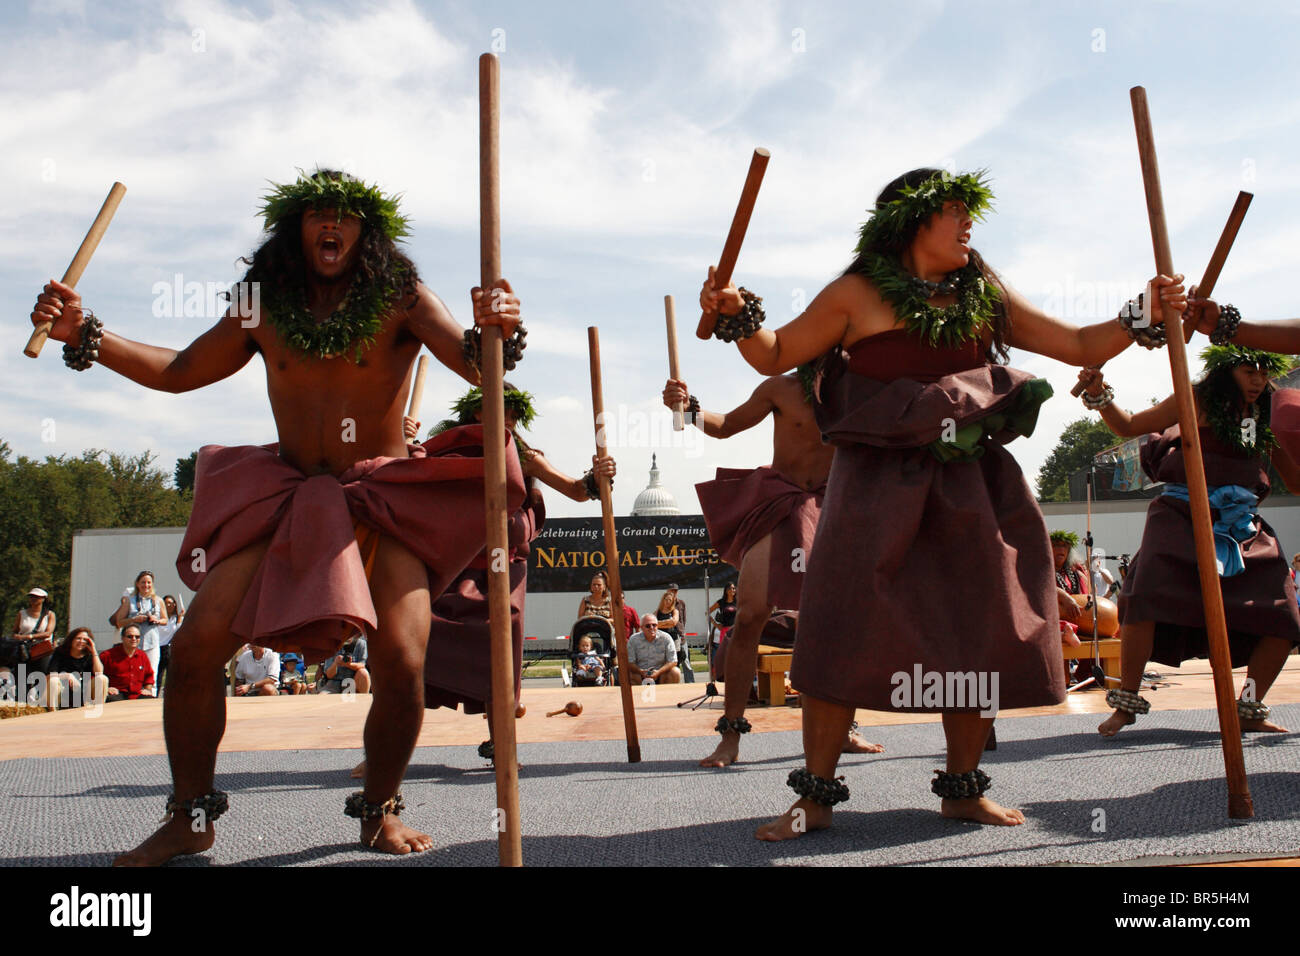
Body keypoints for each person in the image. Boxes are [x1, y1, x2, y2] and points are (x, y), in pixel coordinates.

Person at [31, 168, 526, 863]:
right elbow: (178, 370)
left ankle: (379, 810)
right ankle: (189, 815)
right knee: (197, 648)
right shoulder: (261, 305)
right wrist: (87, 334)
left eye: (345, 218)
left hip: (379, 501)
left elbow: (483, 369)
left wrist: (497, 330)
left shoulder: (401, 297)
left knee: (404, 659)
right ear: (296, 231)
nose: (331, 227)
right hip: (292, 496)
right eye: (318, 217)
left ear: (366, 232)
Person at [696, 166, 1186, 838]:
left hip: (972, 487)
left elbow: (1078, 345)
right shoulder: (856, 294)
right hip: (872, 486)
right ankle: (815, 796)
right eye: (955, 210)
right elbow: (775, 351)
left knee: (975, 628)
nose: (968, 223)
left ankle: (961, 789)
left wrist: (1142, 314)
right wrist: (738, 315)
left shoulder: (982, 295)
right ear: (912, 221)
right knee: (841, 624)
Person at [1076, 347, 1300, 736]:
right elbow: (1129, 425)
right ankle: (1127, 702)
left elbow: (1295, 482)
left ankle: (1247, 706)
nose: (1257, 381)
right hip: (1180, 517)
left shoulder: (1264, 419)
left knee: (1283, 617)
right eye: (1249, 371)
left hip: (1242, 526)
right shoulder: (1195, 399)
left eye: (1263, 374)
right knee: (1143, 601)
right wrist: (1101, 395)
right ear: (1225, 372)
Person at [663, 372, 883, 766]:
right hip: (782, 502)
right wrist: (690, 409)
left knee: (842, 625)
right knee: (749, 617)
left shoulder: (863, 383)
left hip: (836, 507)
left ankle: (845, 728)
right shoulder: (780, 388)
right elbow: (727, 426)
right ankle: (730, 736)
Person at [111, 572, 168, 681]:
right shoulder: (129, 601)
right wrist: (134, 620)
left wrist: (157, 620)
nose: (146, 585)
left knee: (152, 674)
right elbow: (119, 622)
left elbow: (165, 620)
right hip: (133, 644)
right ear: (137, 584)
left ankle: (150, 696)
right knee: (133, 674)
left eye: (149, 582)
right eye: (143, 582)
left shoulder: (158, 600)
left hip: (152, 643)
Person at [46, 627, 108, 710]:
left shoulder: (90, 655)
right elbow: (49, 676)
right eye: (78, 638)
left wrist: (94, 651)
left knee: (102, 678)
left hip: (84, 692)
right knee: (53, 680)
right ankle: (53, 712)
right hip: (64, 691)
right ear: (71, 640)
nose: (81, 641)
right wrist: (67, 676)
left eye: (85, 640)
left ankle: (98, 710)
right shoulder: (60, 652)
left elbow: (99, 673)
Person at [100, 626, 156, 701]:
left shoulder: (142, 656)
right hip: (116, 694)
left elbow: (149, 676)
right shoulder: (107, 655)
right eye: (130, 636)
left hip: (137, 694)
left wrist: (147, 690)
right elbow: (96, 676)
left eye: (137, 637)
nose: (134, 639)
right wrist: (106, 688)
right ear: (122, 638)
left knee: (151, 701)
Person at [626, 615, 680, 684]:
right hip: (640, 674)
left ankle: (666, 694)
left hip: (661, 674)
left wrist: (658, 672)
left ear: (657, 626)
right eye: (648, 626)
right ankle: (637, 694)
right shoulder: (634, 640)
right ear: (642, 627)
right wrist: (641, 672)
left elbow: (673, 661)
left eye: (654, 625)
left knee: (675, 672)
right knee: (627, 673)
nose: (651, 628)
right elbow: (630, 662)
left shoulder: (666, 638)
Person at [154, 594, 184, 695]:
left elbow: (179, 633)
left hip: (169, 649)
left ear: (175, 605)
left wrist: (180, 619)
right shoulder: (158, 617)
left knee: (172, 675)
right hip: (157, 648)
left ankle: (172, 696)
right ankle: (155, 694)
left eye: (170, 603)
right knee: (158, 675)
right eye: (166, 603)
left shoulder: (176, 618)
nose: (168, 605)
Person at [706, 581, 738, 677]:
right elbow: (707, 612)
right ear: (726, 590)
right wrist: (716, 625)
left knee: (736, 653)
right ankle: (723, 674)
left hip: (736, 631)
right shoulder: (721, 602)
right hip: (725, 631)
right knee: (725, 653)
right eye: (730, 588)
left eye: (734, 588)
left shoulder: (738, 601)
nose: (732, 590)